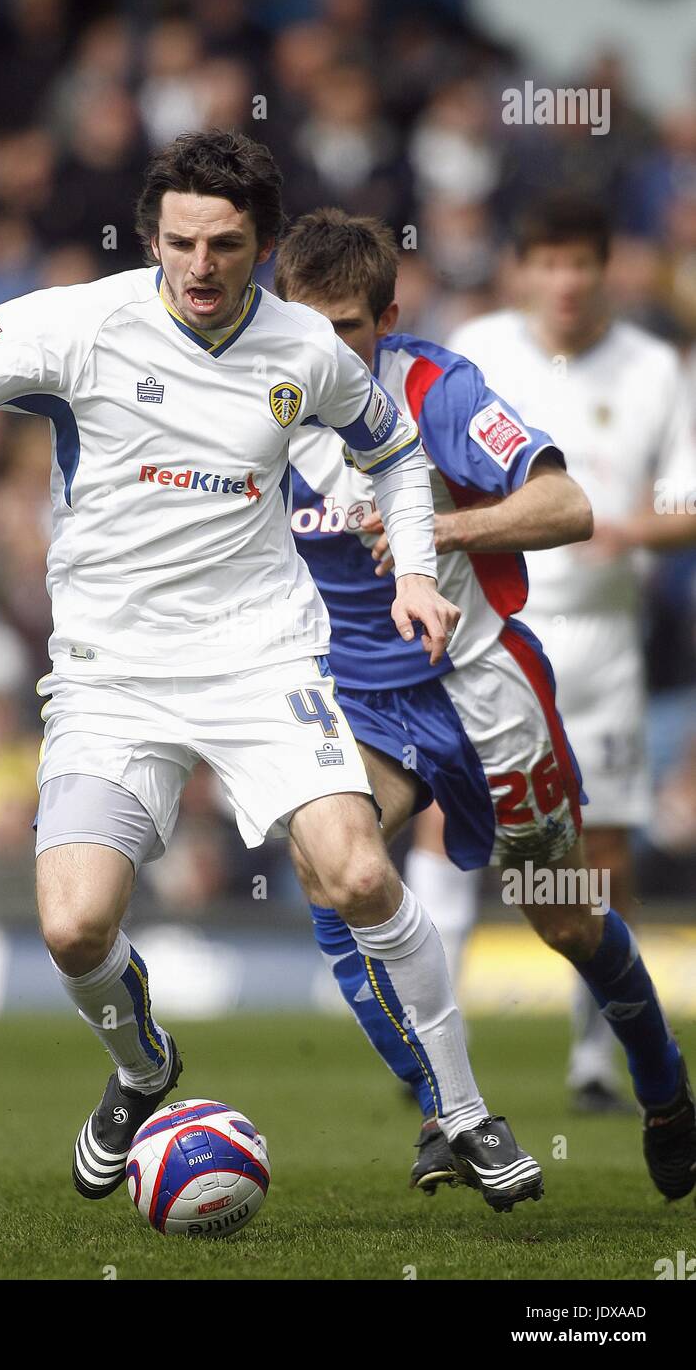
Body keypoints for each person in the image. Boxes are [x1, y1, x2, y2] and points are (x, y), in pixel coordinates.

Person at [0, 132, 543, 1214]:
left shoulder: (305, 348)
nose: (198, 266)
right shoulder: (82, 320)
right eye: (177, 242)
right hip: (109, 672)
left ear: (260, 246)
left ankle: (462, 1110)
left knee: (356, 874)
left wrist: (412, 565)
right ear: (150, 237)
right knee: (73, 926)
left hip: (260, 658)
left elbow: (391, 450)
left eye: (223, 245)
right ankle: (143, 1069)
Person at [274, 206, 696, 1202]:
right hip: (357, 699)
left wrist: (446, 530)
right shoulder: (250, 396)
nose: (323, 349)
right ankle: (443, 1108)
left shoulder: (436, 386)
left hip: (477, 686)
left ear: (385, 317)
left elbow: (568, 507)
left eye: (346, 328)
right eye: (303, 324)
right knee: (332, 869)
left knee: (561, 914)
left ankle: (665, 1088)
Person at [447, 195, 696, 1111]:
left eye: (579, 263)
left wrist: (627, 528)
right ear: (519, 269)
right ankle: (439, 1055)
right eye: (545, 262)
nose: (563, 281)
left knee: (599, 854)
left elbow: (687, 499)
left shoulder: (654, 370)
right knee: (459, 834)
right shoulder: (475, 347)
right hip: (487, 627)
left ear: (606, 269)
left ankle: (594, 1055)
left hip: (601, 643)